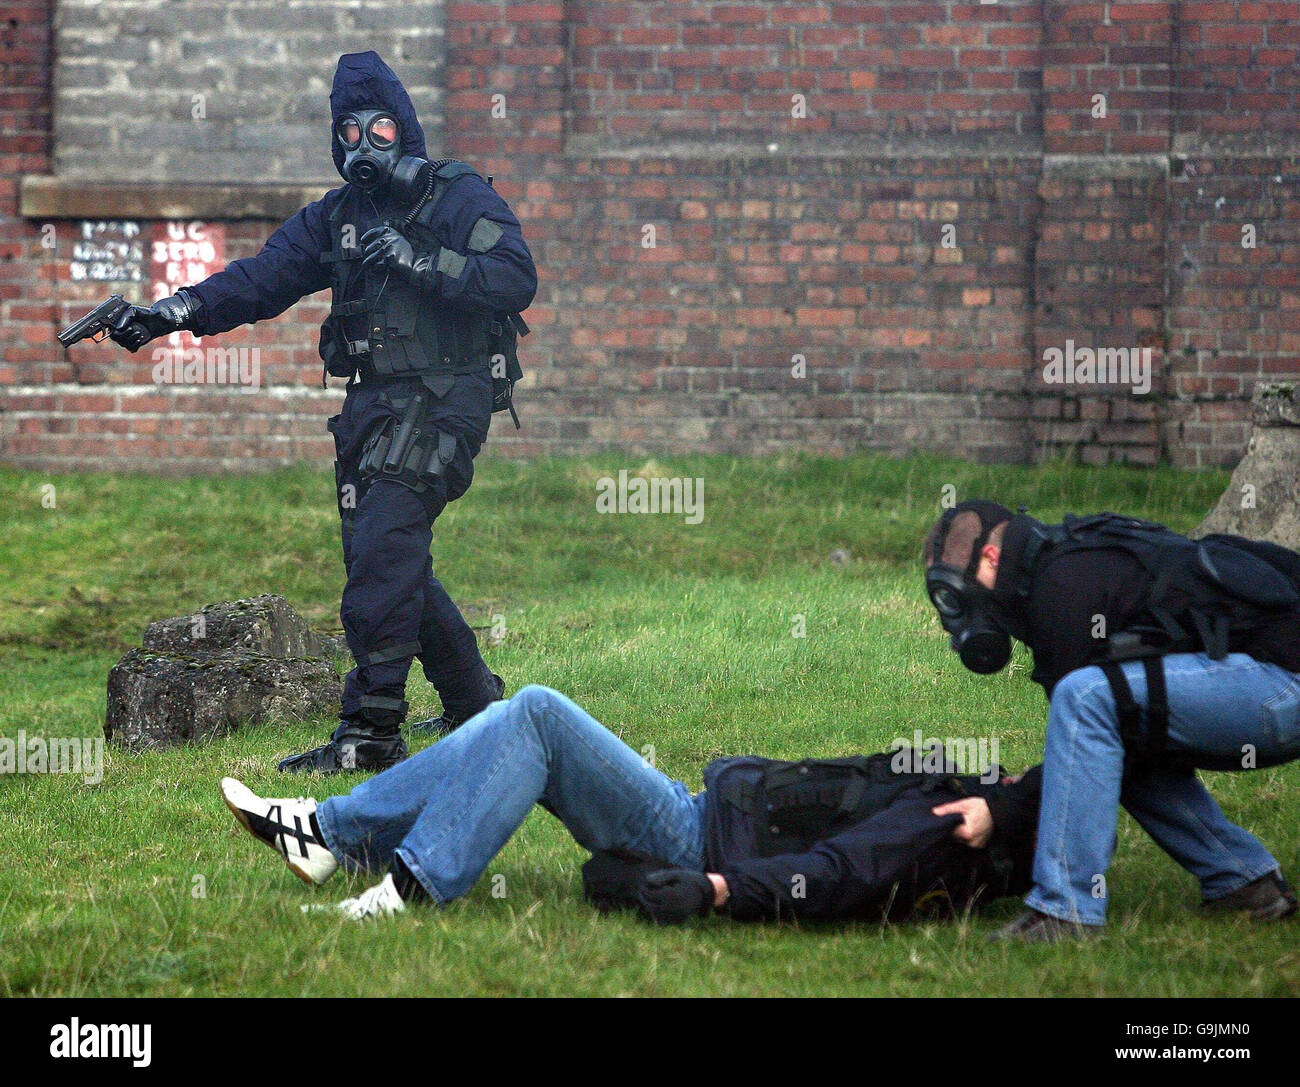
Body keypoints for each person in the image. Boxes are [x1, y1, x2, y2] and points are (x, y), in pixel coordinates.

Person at [108, 52, 537, 773]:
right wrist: (167, 313)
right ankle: (476, 705)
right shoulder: (335, 218)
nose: (365, 145)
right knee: (389, 560)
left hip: (446, 395)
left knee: (382, 557)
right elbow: (259, 279)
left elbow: (516, 278)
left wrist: (421, 261)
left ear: (404, 130)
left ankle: (370, 736)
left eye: (379, 128)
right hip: (371, 403)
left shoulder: (456, 197)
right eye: (350, 132)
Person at [220, 685, 1044, 923]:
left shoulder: (952, 824)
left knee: (535, 715)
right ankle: (328, 832)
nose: (1008, 770)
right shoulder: (958, 792)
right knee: (515, 721)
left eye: (1023, 783)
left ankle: (402, 881)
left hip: (695, 840)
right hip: (699, 812)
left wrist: (718, 890)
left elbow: (836, 872)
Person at [923, 500, 1300, 942]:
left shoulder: (1061, 586)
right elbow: (1091, 751)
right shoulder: (1062, 561)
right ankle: (1244, 882)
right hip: (1271, 681)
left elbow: (1082, 730)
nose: (961, 608)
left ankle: (1067, 910)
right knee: (1114, 718)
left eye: (957, 589)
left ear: (991, 557)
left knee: (1088, 699)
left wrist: (1000, 810)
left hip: (1281, 686)